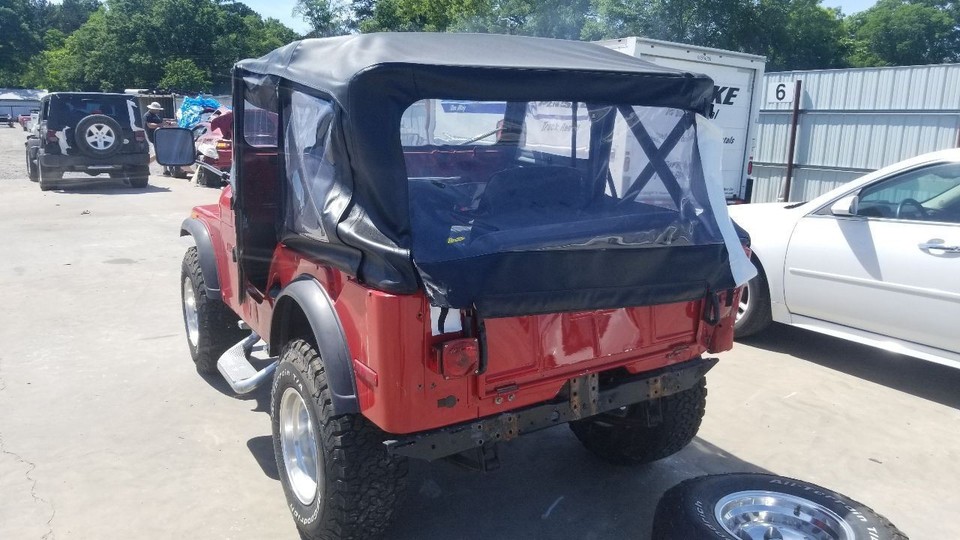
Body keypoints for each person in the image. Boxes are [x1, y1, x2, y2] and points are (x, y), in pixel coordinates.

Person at [143, 102, 172, 175]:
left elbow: (161, 122)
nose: (158, 110)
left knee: (162, 152)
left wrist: (166, 123)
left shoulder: (157, 115)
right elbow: (150, 125)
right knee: (158, 153)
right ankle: (145, 166)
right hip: (153, 136)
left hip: (160, 136)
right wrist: (161, 125)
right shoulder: (147, 115)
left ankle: (165, 170)